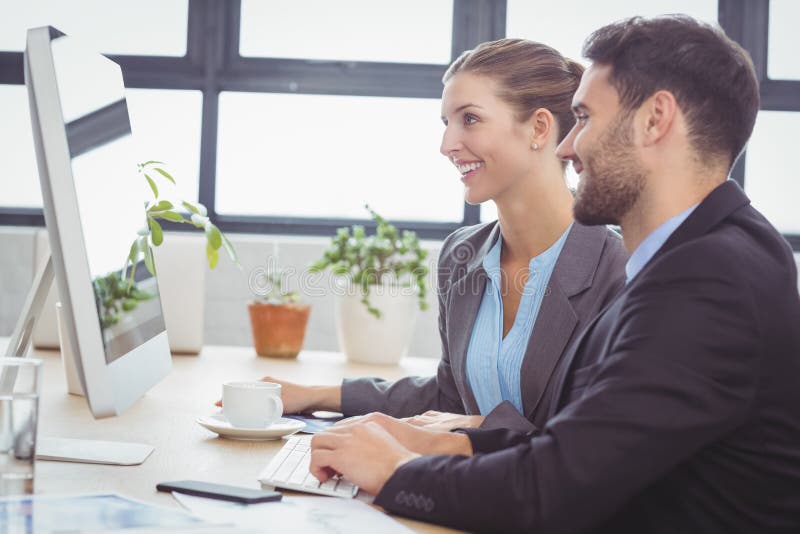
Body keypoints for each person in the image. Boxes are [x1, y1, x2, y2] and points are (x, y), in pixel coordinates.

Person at [308, 15, 800, 533]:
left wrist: (394, 472)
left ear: (655, 120)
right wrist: (445, 442)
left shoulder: (708, 281)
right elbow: (585, 445)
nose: (568, 147)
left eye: (584, 118)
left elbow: (551, 490)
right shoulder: (712, 253)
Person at [251, 38, 627, 435]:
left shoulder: (619, 270)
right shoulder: (463, 254)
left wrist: (480, 430)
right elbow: (450, 401)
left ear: (538, 128)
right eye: (447, 123)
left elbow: (596, 442)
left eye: (470, 119)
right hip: (465, 475)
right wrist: (319, 396)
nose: (447, 146)